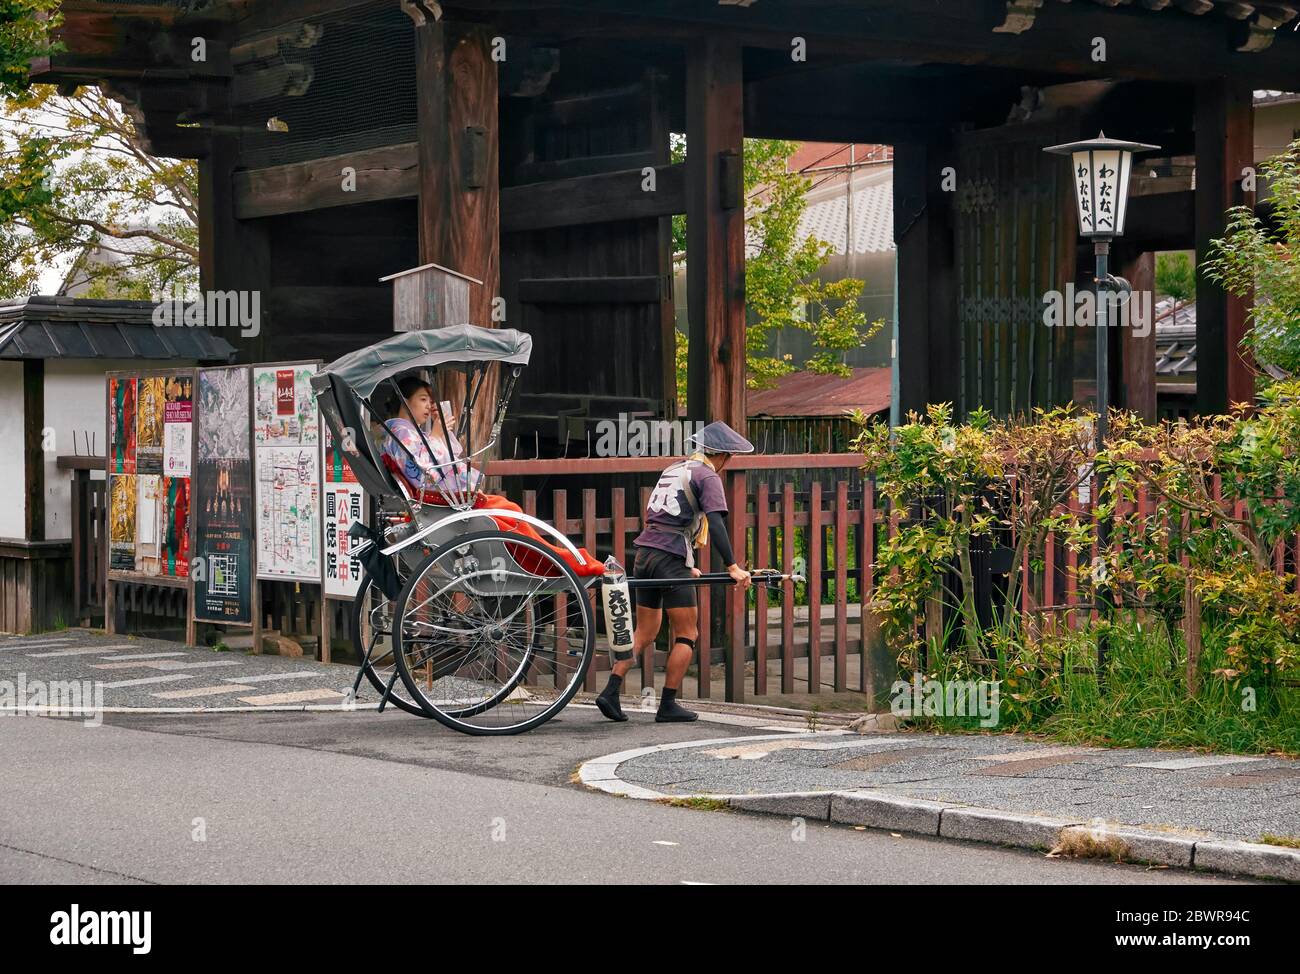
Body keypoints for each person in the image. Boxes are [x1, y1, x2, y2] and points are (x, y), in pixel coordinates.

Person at [595, 421, 754, 723]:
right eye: (728, 458)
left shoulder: (674, 469)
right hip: (670, 556)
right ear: (721, 455)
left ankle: (611, 691)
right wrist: (732, 566)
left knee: (645, 631)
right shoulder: (708, 475)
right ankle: (668, 704)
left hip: (645, 553)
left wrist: (687, 565)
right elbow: (716, 523)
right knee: (687, 633)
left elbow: (666, 516)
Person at [381, 376, 606, 578]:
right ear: (404, 401)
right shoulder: (401, 433)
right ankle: (556, 561)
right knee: (509, 513)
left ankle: (554, 557)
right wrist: (437, 436)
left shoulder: (404, 433)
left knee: (510, 511)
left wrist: (438, 436)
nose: (429, 406)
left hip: (440, 500)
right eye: (422, 399)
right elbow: (429, 473)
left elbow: (431, 464)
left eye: (430, 401)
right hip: (439, 502)